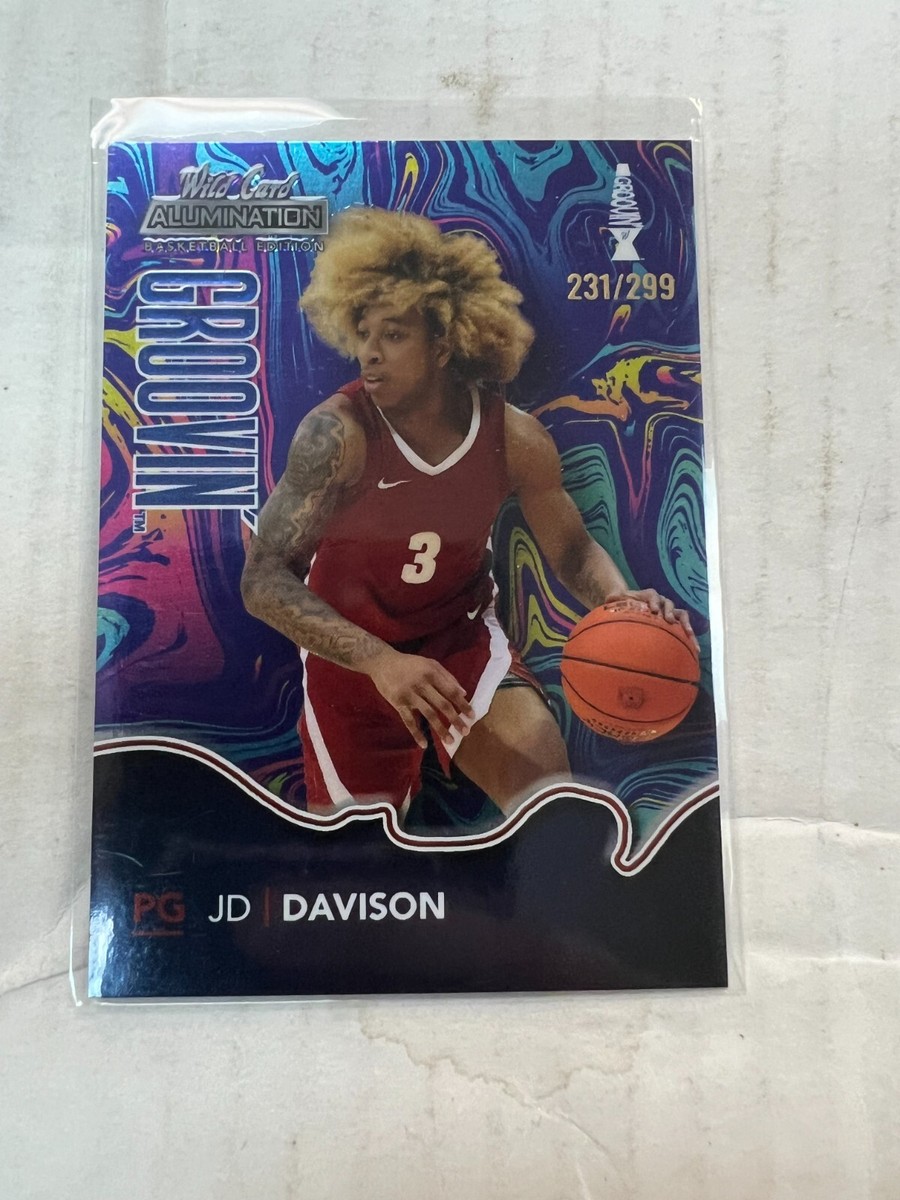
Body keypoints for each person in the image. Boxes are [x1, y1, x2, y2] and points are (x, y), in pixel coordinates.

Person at [241, 207, 694, 821]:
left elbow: (571, 549)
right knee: (356, 858)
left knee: (552, 809)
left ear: (444, 342)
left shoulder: (517, 440)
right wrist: (379, 661)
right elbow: (263, 579)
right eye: (364, 334)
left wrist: (621, 604)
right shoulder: (337, 435)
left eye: (393, 335)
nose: (369, 354)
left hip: (458, 636)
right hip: (352, 658)